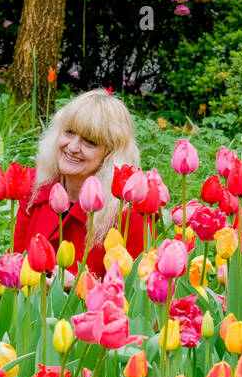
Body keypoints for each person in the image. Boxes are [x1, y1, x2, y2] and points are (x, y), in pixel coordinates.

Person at [12, 88, 147, 281]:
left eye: (90, 142)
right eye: (69, 132)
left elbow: (136, 288)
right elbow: (17, 257)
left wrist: (80, 284)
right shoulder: (37, 184)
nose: (73, 147)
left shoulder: (127, 211)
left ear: (110, 154)